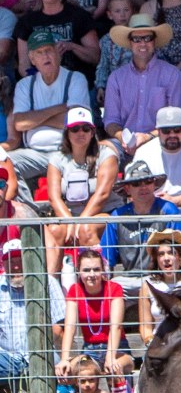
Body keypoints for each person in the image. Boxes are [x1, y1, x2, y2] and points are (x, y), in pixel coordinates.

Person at [4, 28, 90, 201]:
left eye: (49, 50)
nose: (46, 56)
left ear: (58, 53)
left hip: (68, 152)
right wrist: (60, 108)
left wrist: (34, 118)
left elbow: (76, 122)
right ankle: (31, 213)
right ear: (32, 59)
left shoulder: (75, 79)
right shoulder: (24, 85)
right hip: (34, 153)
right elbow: (20, 123)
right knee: (7, 164)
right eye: (39, 52)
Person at [45, 107, 122, 274]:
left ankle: (99, 284)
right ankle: (52, 287)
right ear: (67, 132)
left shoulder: (107, 155)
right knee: (54, 231)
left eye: (86, 129)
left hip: (105, 212)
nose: (81, 133)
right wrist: (70, 222)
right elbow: (54, 197)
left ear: (92, 132)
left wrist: (79, 222)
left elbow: (102, 194)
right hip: (70, 217)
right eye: (75, 129)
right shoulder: (57, 159)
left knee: (87, 229)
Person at [99, 159, 181, 301]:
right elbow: (105, 260)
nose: (143, 187)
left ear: (154, 185)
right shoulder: (117, 216)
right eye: (136, 184)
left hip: (162, 278)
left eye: (148, 182)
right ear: (127, 189)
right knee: (108, 291)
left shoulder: (168, 210)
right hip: (127, 279)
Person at [0, 239, 65, 393]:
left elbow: (60, 330)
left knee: (46, 372)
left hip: (43, 354)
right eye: (10, 259)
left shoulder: (48, 282)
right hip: (8, 357)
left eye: (20, 258)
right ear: (3, 263)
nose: (16, 264)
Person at [103, 14, 181, 155]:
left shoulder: (173, 75)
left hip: (161, 142)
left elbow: (177, 121)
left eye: (147, 38)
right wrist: (123, 138)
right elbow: (110, 121)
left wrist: (147, 137)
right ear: (130, 43)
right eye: (136, 39)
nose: (142, 44)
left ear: (154, 41)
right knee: (103, 151)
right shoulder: (116, 78)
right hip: (123, 145)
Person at [56, 248, 133, 380]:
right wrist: (64, 358)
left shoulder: (114, 288)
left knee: (114, 369)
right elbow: (69, 327)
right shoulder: (75, 290)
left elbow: (116, 326)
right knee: (68, 371)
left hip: (117, 347)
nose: (91, 274)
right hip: (90, 350)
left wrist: (110, 357)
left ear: (102, 270)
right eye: (86, 270)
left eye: (96, 269)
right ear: (79, 271)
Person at [14, 0, 99, 81]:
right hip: (42, 87)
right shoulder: (26, 22)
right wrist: (38, 81)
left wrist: (72, 46)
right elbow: (24, 65)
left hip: (77, 83)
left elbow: (96, 57)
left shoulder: (80, 16)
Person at [133, 106, 181, 211]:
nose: (172, 135)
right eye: (166, 131)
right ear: (158, 131)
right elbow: (135, 193)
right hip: (153, 208)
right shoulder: (143, 152)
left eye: (177, 130)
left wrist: (175, 201)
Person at [138, 228, 181, 346]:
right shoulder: (148, 285)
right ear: (157, 260)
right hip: (159, 345)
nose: (166, 258)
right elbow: (145, 327)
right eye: (161, 254)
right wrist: (151, 343)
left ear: (180, 258)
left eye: (171, 253)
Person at [95, 0, 135, 108]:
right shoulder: (106, 40)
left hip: (134, 85)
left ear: (132, 11)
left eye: (126, 10)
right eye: (117, 11)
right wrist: (101, 86)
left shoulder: (138, 36)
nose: (122, 15)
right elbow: (103, 64)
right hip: (114, 87)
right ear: (109, 14)